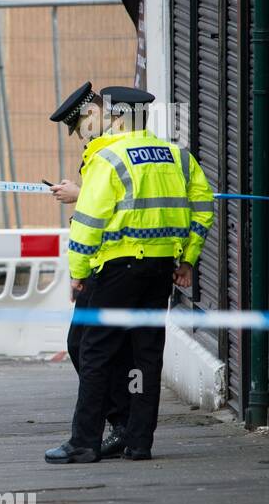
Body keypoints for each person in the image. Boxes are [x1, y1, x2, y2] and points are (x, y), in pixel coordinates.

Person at [46, 85, 216, 464]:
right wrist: (187, 259)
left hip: (117, 269)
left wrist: (77, 271)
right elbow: (203, 208)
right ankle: (139, 442)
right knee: (146, 355)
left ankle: (84, 441)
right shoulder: (178, 156)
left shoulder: (109, 158)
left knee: (95, 352)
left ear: (116, 116)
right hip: (160, 271)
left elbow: (88, 223)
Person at [47, 81, 132, 458]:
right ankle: (122, 424)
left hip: (112, 261)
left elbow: (117, 199)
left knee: (89, 348)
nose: (80, 133)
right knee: (88, 346)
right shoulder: (101, 147)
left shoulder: (113, 147)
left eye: (81, 124)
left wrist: (78, 195)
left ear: (95, 113)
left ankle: (102, 433)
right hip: (107, 260)